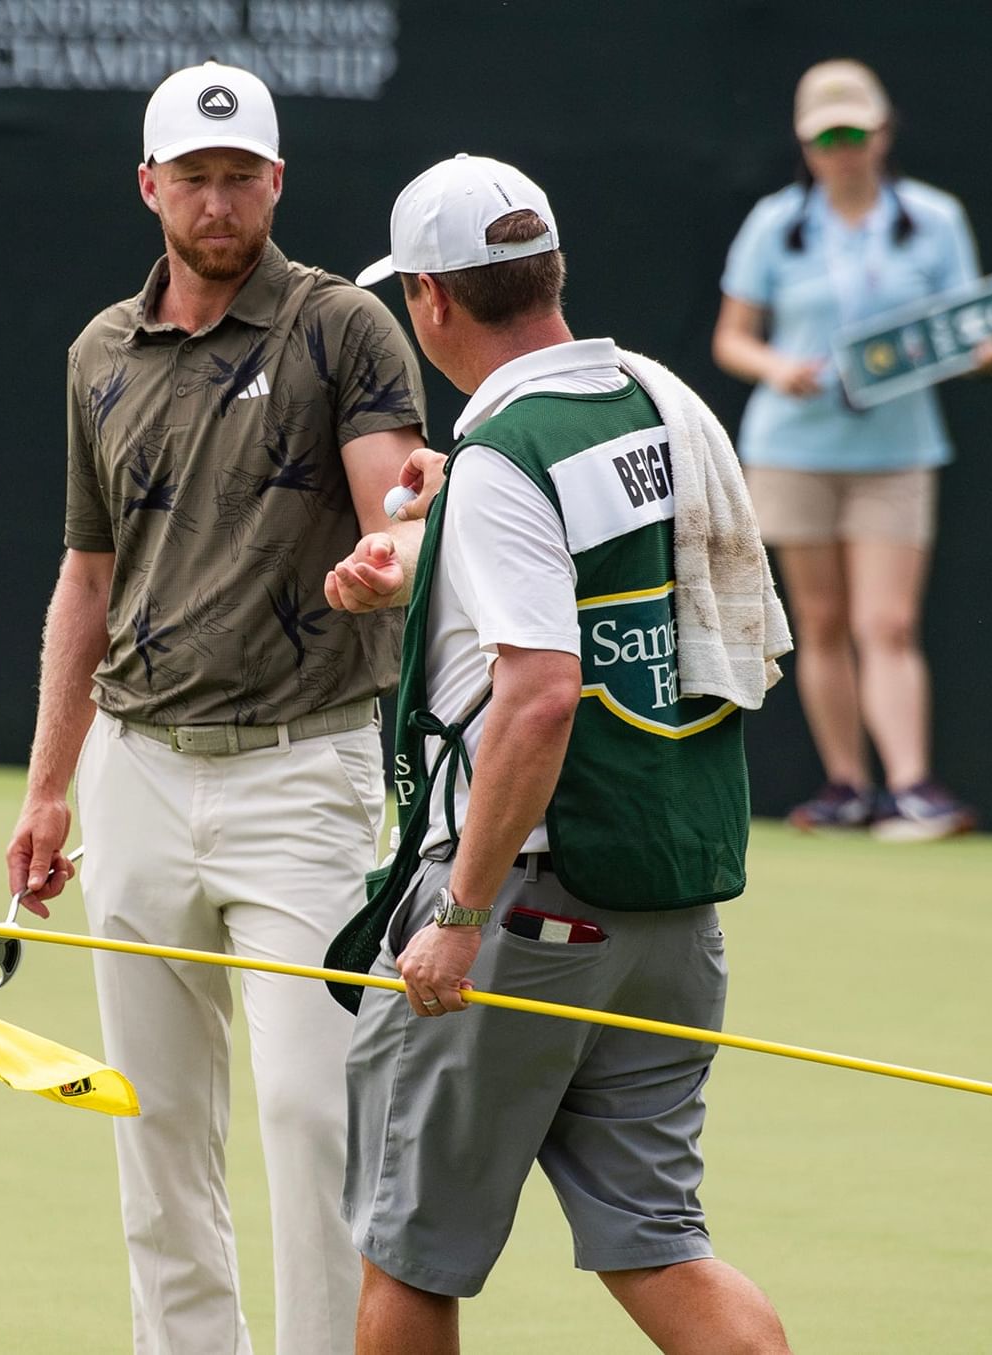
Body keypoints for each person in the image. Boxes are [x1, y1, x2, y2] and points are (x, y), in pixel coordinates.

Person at [326, 153, 795, 1355]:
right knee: (659, 1241)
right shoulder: (650, 403)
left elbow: (538, 699)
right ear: (551, 272)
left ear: (431, 298)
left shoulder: (505, 456)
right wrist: (450, 509)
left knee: (407, 1251)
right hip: (669, 906)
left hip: (526, 905)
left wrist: (460, 913)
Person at [3, 61, 428, 1355]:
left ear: (278, 181)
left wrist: (390, 558)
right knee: (152, 1116)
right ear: (150, 185)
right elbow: (88, 576)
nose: (219, 200)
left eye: (242, 176)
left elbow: (397, 511)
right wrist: (48, 785)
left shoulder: (342, 322)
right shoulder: (98, 352)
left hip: (302, 770)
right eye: (195, 176)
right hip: (136, 769)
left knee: (312, 1107)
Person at [712, 58, 992, 841]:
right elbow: (733, 340)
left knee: (888, 622)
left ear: (882, 134)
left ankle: (911, 788)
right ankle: (847, 784)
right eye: (827, 137)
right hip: (792, 448)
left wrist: (983, 353)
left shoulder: (934, 219)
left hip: (897, 450)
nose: (842, 150)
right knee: (820, 621)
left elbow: (963, 328)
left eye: (855, 133)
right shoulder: (776, 223)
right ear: (805, 144)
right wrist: (779, 367)